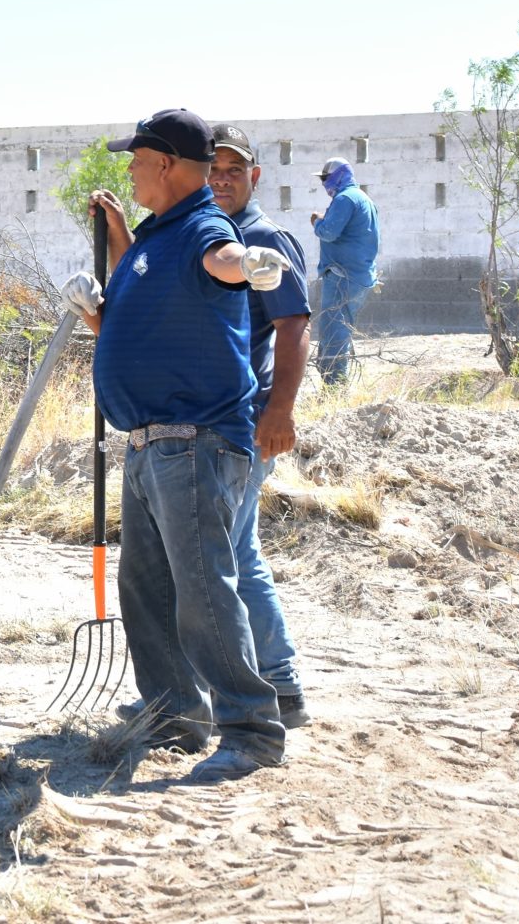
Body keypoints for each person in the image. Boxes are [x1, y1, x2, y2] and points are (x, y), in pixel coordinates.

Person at [63, 107, 291, 782]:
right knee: (148, 591)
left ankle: (251, 730)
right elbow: (145, 322)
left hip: (193, 439)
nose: (128, 169)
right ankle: (175, 715)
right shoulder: (154, 239)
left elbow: (220, 262)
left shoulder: (202, 228)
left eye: (136, 159)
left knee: (203, 592)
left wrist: (247, 265)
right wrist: (95, 312)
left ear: (166, 165)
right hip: (146, 442)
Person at [206, 124, 312, 728]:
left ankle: (279, 683)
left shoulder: (265, 240)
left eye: (232, 170)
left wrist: (280, 412)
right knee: (233, 549)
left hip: (247, 419)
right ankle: (272, 683)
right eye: (213, 170)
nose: (222, 179)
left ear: (254, 176)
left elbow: (295, 326)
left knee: (232, 552)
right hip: (212, 418)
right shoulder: (212, 237)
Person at [310, 158, 381, 382]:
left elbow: (328, 232)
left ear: (338, 176)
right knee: (341, 330)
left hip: (342, 277)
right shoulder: (363, 198)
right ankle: (336, 381)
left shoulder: (344, 199)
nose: (323, 184)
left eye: (325, 178)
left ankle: (334, 385)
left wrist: (316, 222)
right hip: (358, 277)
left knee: (333, 332)